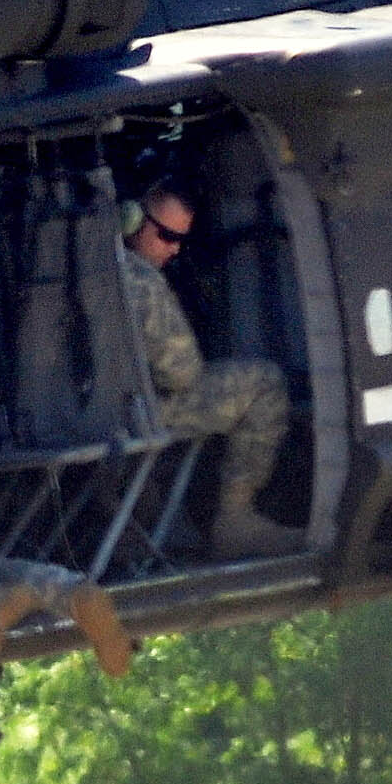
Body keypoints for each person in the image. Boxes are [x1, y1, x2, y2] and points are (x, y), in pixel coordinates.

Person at [120, 186, 297, 558]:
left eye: (181, 240)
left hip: (96, 414)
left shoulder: (83, 268)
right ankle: (236, 522)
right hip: (135, 413)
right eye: (167, 236)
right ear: (132, 221)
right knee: (264, 383)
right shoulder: (140, 280)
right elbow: (182, 374)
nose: (174, 249)